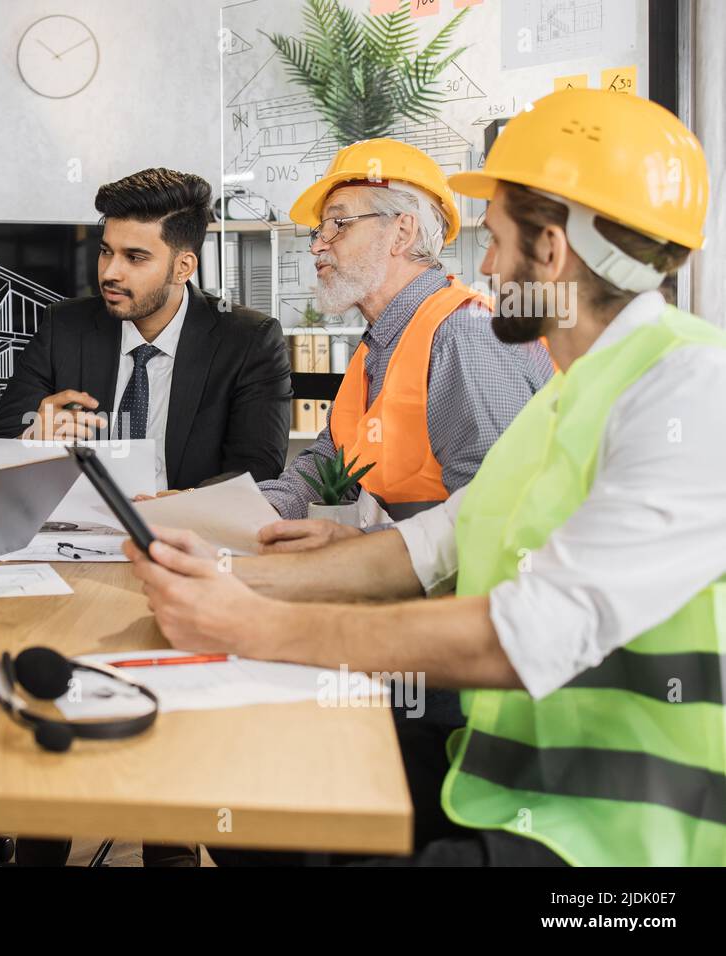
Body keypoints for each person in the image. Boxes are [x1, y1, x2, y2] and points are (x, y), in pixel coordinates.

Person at [126, 88, 725, 867]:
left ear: (551, 251)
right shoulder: (570, 395)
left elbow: (530, 630)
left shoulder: (690, 386)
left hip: (621, 844)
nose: (485, 263)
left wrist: (253, 624)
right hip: (506, 788)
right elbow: (421, 548)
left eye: (498, 240)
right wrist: (228, 574)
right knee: (259, 809)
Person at [256, 139, 552, 554]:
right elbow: (332, 460)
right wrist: (247, 513)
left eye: (338, 224)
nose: (318, 245)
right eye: (319, 229)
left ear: (402, 231)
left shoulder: (462, 334)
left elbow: (496, 512)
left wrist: (359, 546)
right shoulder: (380, 343)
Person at [0, 167, 291, 492]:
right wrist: (31, 438)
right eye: (106, 252)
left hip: (187, 531)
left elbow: (257, 474)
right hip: (75, 528)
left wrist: (181, 504)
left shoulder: (249, 340)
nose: (110, 272)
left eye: (135, 258)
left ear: (182, 267)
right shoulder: (65, 328)